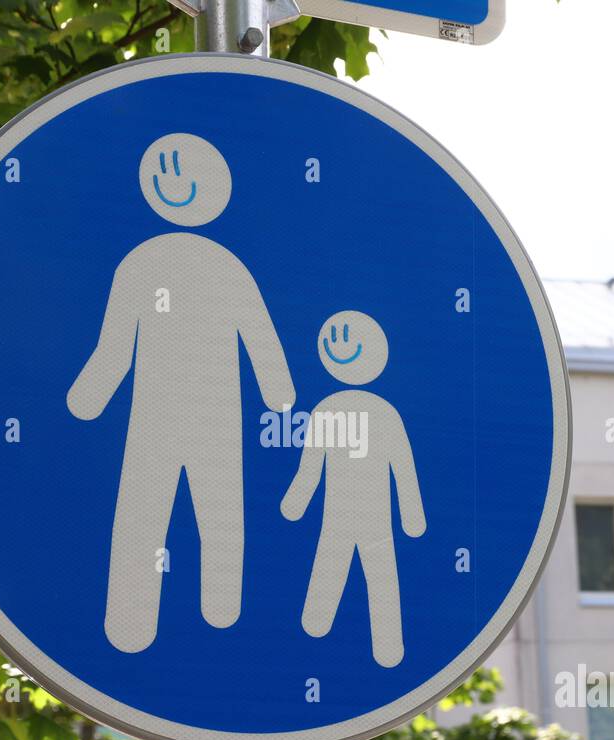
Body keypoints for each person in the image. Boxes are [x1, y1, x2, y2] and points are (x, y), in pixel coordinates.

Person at [68, 133, 295, 653]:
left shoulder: (156, 264)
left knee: (162, 512)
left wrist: (90, 397)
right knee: (207, 512)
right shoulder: (178, 266)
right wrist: (278, 395)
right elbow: (117, 345)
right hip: (187, 417)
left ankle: (177, 618)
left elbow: (258, 336)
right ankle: (210, 611)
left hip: (181, 419)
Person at [281, 311, 425, 667]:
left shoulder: (331, 411)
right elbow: (402, 470)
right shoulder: (378, 412)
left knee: (350, 568)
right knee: (375, 575)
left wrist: (295, 504)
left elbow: (402, 468)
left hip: (349, 517)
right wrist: (412, 517)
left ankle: (321, 625)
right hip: (358, 518)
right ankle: (375, 644)